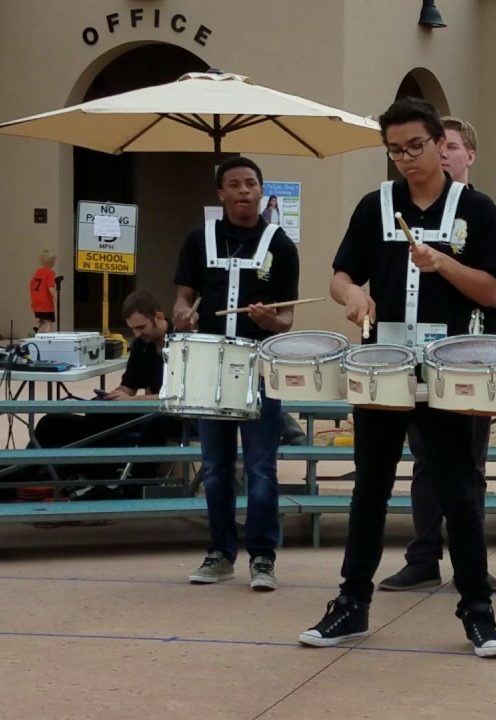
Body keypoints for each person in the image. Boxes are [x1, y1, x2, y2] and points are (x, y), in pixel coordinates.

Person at [299, 98, 496, 657]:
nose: (407, 158)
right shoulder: (376, 206)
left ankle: (478, 610)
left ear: (441, 144)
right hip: (383, 365)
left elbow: (494, 290)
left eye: (416, 146)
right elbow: (341, 275)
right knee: (370, 486)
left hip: (448, 368)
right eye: (395, 150)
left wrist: (443, 263)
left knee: (458, 488)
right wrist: (352, 294)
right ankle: (351, 604)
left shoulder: (478, 210)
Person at [378, 116, 496, 595]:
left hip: (470, 356)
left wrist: (447, 267)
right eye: (438, 147)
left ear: (468, 155)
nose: (442, 155)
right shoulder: (397, 209)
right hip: (411, 353)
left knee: (468, 464)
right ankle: (422, 556)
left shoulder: (487, 215)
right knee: (423, 460)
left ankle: (469, 561)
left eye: (452, 147)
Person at [173, 157, 300, 592]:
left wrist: (269, 321)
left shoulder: (280, 246)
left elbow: (287, 320)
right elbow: (183, 300)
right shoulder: (199, 239)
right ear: (221, 193)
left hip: (259, 366)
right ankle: (220, 553)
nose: (243, 191)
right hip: (209, 366)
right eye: (234, 184)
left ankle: (262, 556)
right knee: (215, 467)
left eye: (251, 183)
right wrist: (184, 315)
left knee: (261, 467)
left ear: (262, 191)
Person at [30, 290, 184, 497]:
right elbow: (129, 385)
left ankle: (124, 485)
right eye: (133, 329)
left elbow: (178, 395)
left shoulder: (183, 341)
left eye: (141, 327)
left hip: (172, 413)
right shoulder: (141, 344)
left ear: (158, 317)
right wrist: (113, 396)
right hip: (146, 408)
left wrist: (131, 400)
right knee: (81, 415)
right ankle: (35, 476)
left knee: (153, 421)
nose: (137, 334)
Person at [30, 249, 57, 334]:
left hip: (36, 301)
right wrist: (55, 297)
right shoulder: (50, 273)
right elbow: (50, 287)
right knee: (48, 321)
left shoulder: (37, 272)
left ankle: (33, 332)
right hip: (46, 301)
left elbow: (32, 285)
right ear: (50, 261)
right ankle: (47, 338)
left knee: (41, 319)